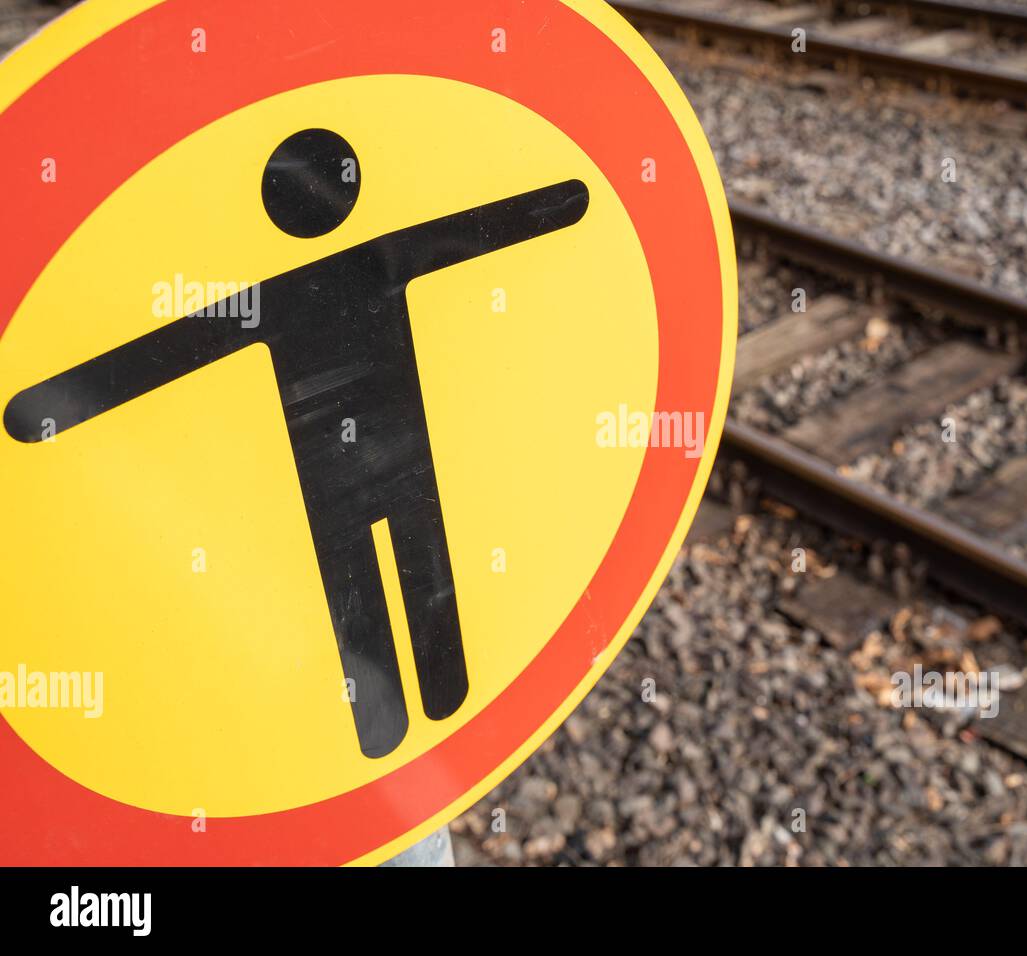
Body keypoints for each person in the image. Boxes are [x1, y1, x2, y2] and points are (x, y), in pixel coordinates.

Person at [4, 128, 591, 757]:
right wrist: (572, 199)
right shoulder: (381, 255)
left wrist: (43, 408)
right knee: (422, 568)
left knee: (357, 594)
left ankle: (386, 725)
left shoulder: (267, 298)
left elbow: (159, 355)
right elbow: (487, 226)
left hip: (331, 473)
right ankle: (436, 698)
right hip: (401, 453)